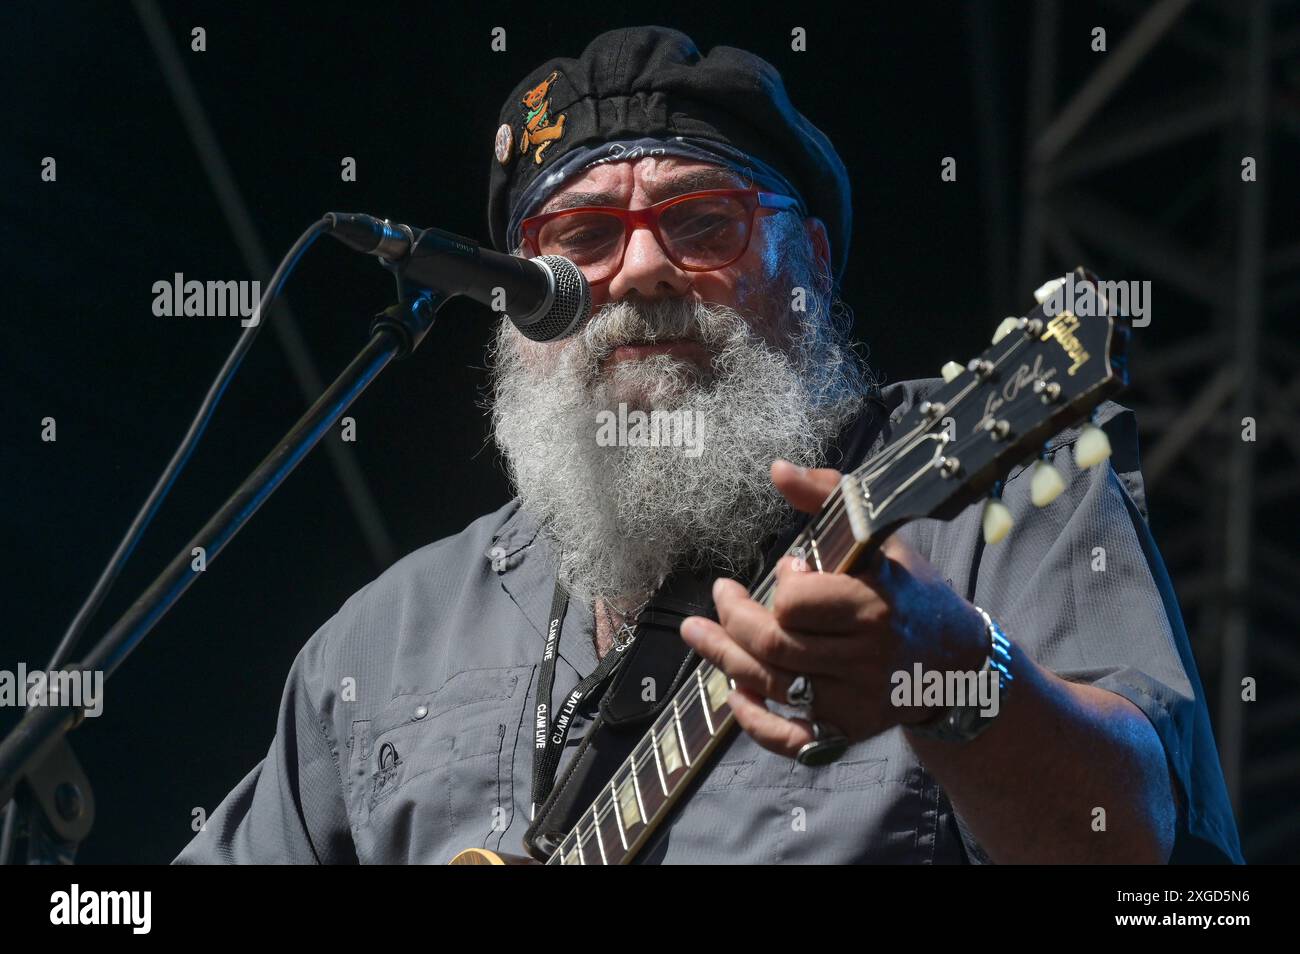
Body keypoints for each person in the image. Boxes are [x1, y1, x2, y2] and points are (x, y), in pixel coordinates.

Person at [175, 25, 1242, 864]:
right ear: (516, 307)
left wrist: (956, 679)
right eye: (580, 241)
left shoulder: (983, 501)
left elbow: (1142, 851)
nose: (638, 273)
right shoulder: (383, 641)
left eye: (700, 222)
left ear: (810, 262)